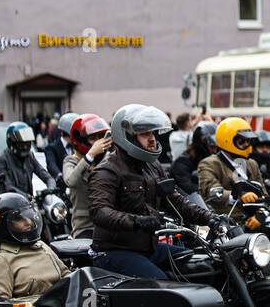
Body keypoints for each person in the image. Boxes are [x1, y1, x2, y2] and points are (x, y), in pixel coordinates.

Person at [90, 104, 220, 279]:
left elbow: (174, 199)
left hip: (148, 247)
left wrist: (209, 217)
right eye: (145, 134)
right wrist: (136, 221)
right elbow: (99, 211)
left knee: (202, 264)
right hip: (115, 251)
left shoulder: (152, 165)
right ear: (126, 136)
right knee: (163, 284)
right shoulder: (108, 170)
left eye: (153, 133)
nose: (152, 139)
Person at [0, 192, 70, 300]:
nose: (28, 222)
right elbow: (1, 304)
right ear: (2, 225)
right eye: (18, 219)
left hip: (64, 305)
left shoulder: (41, 246)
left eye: (28, 216)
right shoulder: (2, 260)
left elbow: (68, 276)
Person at [198, 116, 265, 216]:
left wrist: (260, 216)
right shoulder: (209, 163)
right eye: (241, 141)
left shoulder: (252, 164)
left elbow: (263, 193)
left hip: (253, 217)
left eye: (248, 141)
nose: (247, 145)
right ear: (227, 140)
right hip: (227, 220)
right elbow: (212, 191)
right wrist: (238, 196)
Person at [61, 112, 110, 239]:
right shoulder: (71, 161)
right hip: (84, 227)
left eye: (100, 137)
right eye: (93, 138)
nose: (97, 142)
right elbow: (71, 180)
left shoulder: (105, 159)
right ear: (80, 139)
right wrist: (91, 154)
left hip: (107, 224)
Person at [0, 121, 52, 197]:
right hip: (7, 203)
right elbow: (7, 186)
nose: (25, 147)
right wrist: (26, 196)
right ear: (12, 143)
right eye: (21, 144)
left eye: (27, 144)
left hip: (27, 204)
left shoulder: (30, 156)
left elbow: (44, 174)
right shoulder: (0, 159)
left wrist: (51, 188)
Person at [172, 122, 217, 202]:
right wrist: (213, 191)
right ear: (202, 143)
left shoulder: (215, 160)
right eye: (212, 147)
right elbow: (188, 188)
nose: (215, 151)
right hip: (190, 208)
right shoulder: (182, 163)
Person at [44, 112, 77, 179]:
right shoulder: (51, 148)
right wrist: (59, 174)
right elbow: (51, 164)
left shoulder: (77, 146)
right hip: (61, 186)